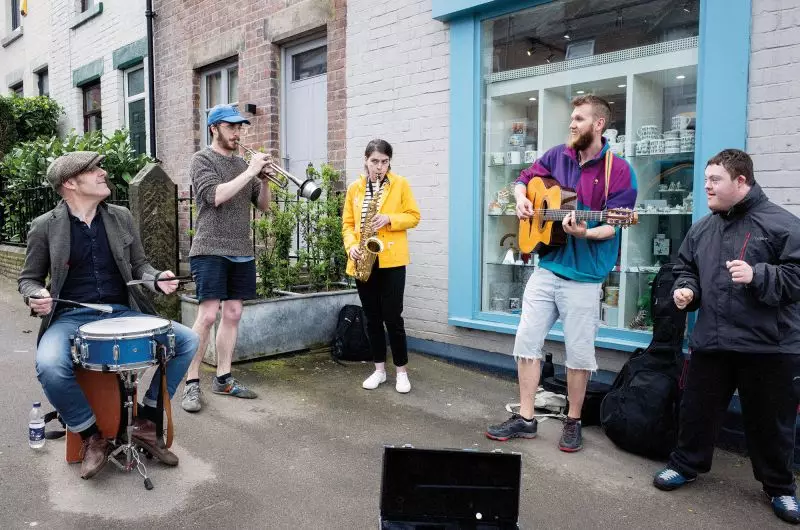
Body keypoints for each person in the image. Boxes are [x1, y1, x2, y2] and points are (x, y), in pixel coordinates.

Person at [18, 151, 199, 480]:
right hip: (71, 317)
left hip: (122, 311)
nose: (103, 172)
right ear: (71, 182)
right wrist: (37, 296)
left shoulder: (120, 217)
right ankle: (91, 437)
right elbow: (28, 280)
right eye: (94, 169)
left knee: (187, 340)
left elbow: (140, 267)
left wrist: (157, 279)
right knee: (49, 365)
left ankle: (147, 419)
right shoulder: (44, 227)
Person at [652, 149, 800, 525]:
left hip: (769, 345)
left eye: (715, 180)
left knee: (771, 421)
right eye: (705, 180)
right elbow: (686, 268)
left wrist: (758, 276)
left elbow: (797, 279)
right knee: (696, 410)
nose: (706, 187)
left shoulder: (784, 225)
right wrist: (687, 290)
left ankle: (779, 487)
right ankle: (685, 465)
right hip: (713, 340)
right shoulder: (703, 228)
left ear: (741, 181)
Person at [486, 95, 637, 452]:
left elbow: (613, 226)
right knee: (526, 341)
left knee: (579, 352)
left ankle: (573, 420)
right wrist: (522, 198)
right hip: (548, 267)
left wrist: (585, 231)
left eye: (579, 119)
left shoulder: (618, 169)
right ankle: (525, 418)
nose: (572, 124)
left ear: (598, 124)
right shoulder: (558, 155)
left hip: (584, 276)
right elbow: (523, 180)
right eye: (572, 118)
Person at [181, 104, 274, 412]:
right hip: (209, 247)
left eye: (240, 128)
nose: (237, 133)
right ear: (214, 128)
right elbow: (215, 196)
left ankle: (223, 378)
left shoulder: (241, 163)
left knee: (232, 314)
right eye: (231, 127)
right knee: (207, 315)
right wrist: (250, 170)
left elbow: (262, 206)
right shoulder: (202, 159)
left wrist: (265, 180)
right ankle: (191, 382)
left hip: (241, 250)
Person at [342, 139, 421, 393]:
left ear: (389, 162)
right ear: (366, 160)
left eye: (384, 161)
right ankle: (379, 371)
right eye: (374, 161)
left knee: (393, 318)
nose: (379, 167)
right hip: (363, 260)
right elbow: (347, 224)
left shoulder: (400, 184)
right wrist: (351, 246)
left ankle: (401, 372)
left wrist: (389, 218)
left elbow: (414, 216)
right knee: (372, 319)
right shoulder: (355, 188)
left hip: (392, 261)